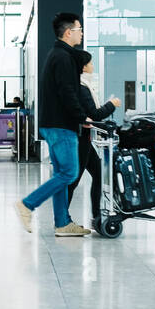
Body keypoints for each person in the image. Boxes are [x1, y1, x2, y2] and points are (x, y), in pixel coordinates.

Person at [15, 13, 122, 237]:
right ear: (68, 32)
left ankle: (63, 223)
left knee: (63, 174)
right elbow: (68, 93)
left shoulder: (59, 55)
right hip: (61, 125)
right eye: (79, 29)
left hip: (55, 124)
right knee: (69, 174)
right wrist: (81, 118)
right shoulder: (64, 58)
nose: (81, 33)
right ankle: (27, 204)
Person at [66, 50, 117, 229]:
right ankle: (63, 219)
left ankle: (96, 215)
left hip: (84, 138)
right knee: (73, 181)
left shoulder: (81, 85)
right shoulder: (81, 87)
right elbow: (94, 114)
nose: (93, 66)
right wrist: (112, 105)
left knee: (97, 173)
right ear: (83, 67)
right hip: (81, 139)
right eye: (91, 63)